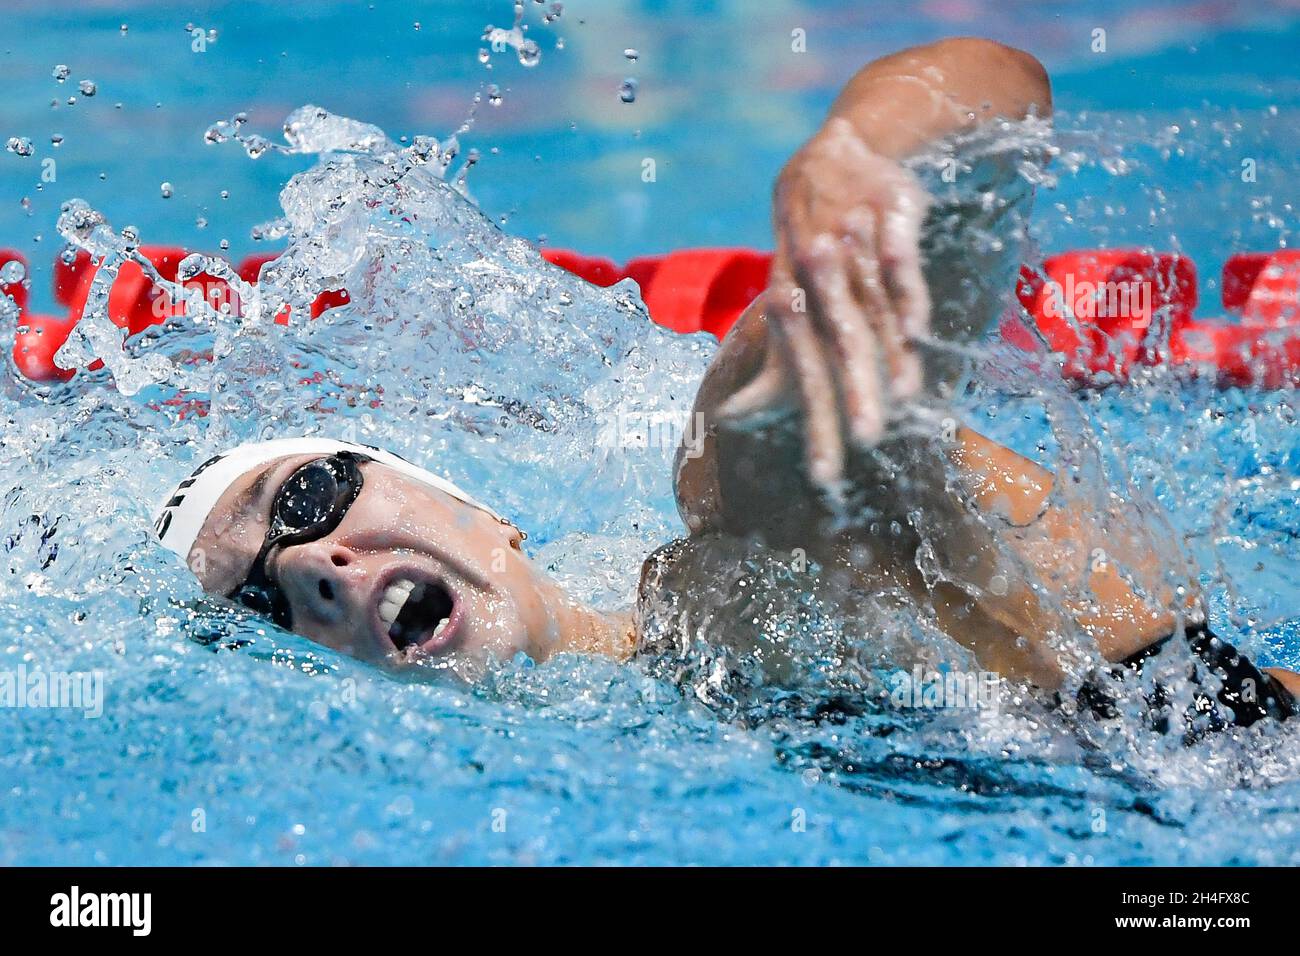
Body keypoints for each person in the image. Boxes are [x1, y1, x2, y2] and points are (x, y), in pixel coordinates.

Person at [154, 38, 1300, 732]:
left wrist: (851, 158)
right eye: (264, 598)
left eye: (305, 501)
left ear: (477, 507)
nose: (312, 563)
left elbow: (992, 89)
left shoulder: (722, 577)